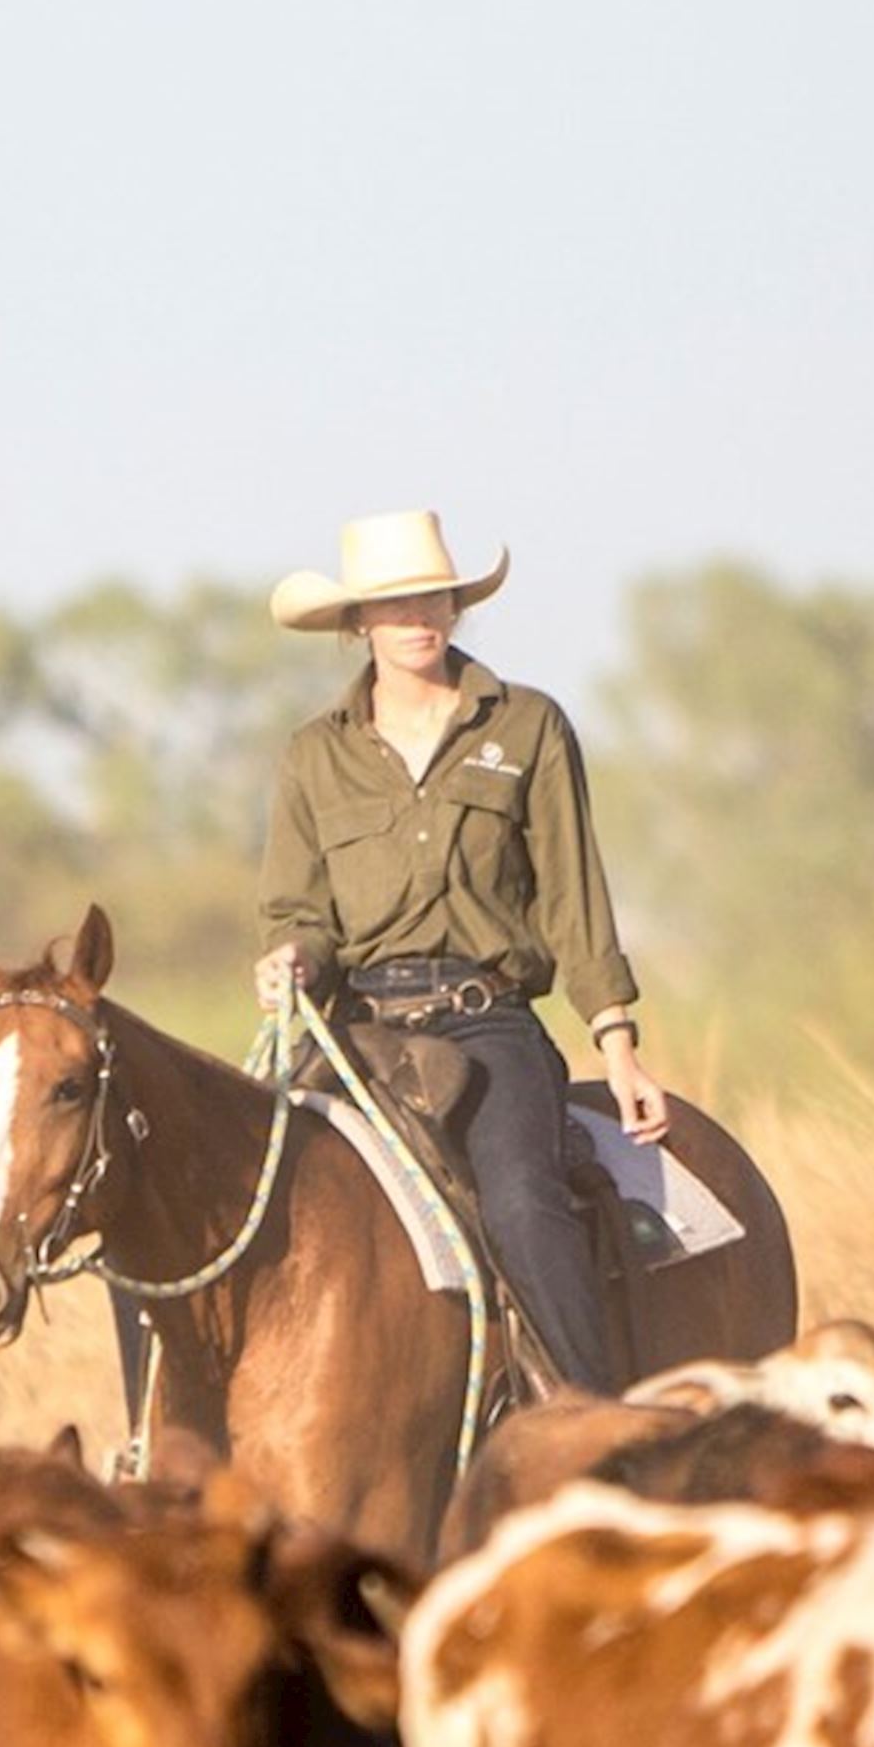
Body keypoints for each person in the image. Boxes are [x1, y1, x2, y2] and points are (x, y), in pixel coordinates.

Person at [255, 510, 667, 1397]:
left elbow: (574, 895)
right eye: (394, 604)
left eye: (432, 596)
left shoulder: (526, 728)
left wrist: (617, 1042)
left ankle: (592, 1416)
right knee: (241, 1190)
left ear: (457, 603)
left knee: (522, 1203)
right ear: (359, 623)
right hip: (355, 1025)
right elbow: (299, 912)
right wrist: (289, 957)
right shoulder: (313, 757)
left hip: (489, 1022)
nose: (417, 616)